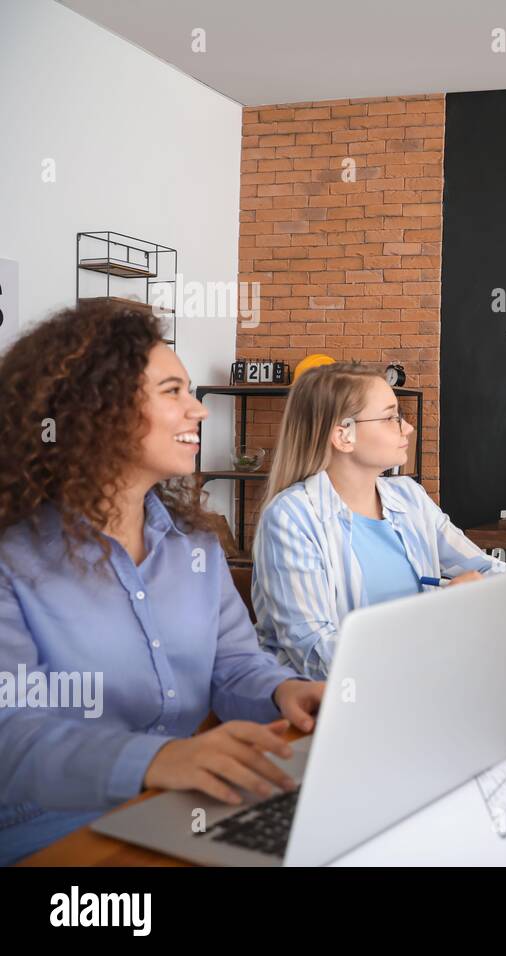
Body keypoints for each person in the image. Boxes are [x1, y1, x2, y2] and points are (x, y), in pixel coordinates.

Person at [0, 302, 322, 865]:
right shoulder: (14, 558)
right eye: (172, 391)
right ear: (92, 409)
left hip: (178, 808)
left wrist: (284, 693)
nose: (198, 409)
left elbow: (235, 664)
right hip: (49, 838)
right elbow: (11, 735)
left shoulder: (192, 545)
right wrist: (156, 760)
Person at [253, 362, 506, 679]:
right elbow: (317, 655)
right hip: (328, 708)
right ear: (343, 435)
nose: (408, 428)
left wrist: (481, 593)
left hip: (419, 682)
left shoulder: (408, 496)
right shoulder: (291, 518)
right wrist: (440, 619)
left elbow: (493, 572)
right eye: (391, 417)